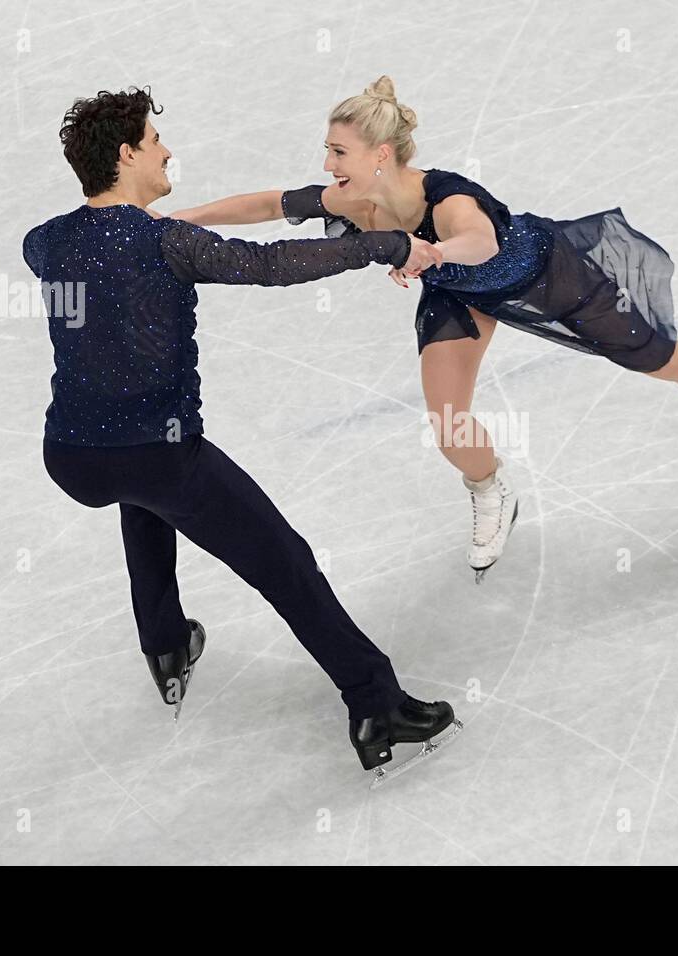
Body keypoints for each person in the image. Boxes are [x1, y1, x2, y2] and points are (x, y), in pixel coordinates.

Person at [171, 76, 678, 583]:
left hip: (542, 274)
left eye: (338, 150)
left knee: (659, 359)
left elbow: (480, 245)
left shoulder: (447, 198)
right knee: (447, 424)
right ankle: (490, 486)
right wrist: (182, 221)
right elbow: (267, 202)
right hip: (459, 298)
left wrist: (434, 253)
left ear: (382, 153)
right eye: (327, 150)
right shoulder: (354, 197)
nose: (328, 164)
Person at [24, 86, 461, 780]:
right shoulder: (166, 241)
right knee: (284, 561)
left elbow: (83, 276)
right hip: (159, 455)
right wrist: (383, 245)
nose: (167, 149)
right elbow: (270, 266)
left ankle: (165, 643)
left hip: (72, 457)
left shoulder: (44, 242)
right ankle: (376, 703)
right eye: (154, 139)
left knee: (137, 487)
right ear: (128, 153)